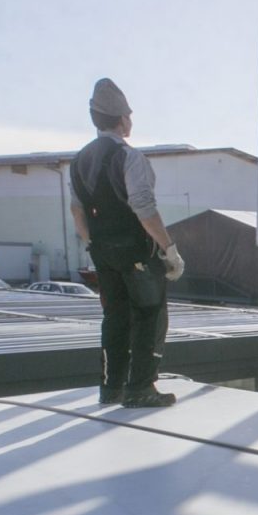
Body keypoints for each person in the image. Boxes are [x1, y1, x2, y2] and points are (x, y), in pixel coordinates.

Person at [69, 78, 184, 407]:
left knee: (115, 317)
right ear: (121, 119)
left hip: (102, 253)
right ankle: (140, 388)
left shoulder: (79, 161)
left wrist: (95, 244)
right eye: (129, 116)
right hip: (135, 250)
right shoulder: (129, 157)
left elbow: (77, 212)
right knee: (150, 314)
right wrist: (169, 249)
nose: (131, 121)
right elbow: (144, 209)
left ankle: (112, 387)